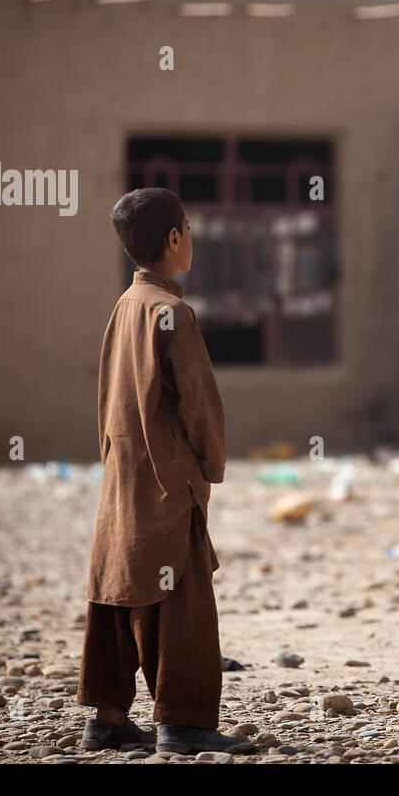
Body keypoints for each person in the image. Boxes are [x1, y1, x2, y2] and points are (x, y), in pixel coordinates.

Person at [75, 187, 249, 754]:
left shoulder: (124, 307)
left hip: (121, 475)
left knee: (117, 587)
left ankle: (107, 716)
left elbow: (108, 397)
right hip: (169, 478)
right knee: (183, 600)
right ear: (174, 239)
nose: (191, 239)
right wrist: (208, 469)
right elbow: (200, 404)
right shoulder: (171, 311)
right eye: (190, 231)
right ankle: (185, 723)